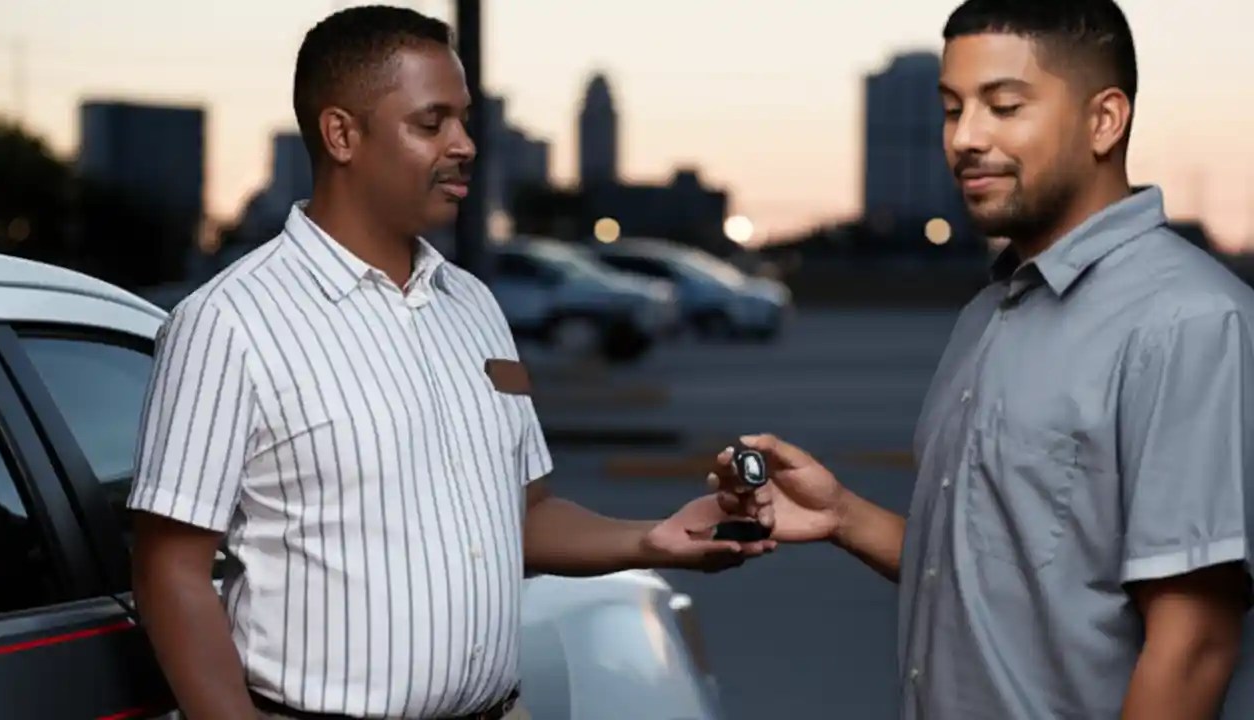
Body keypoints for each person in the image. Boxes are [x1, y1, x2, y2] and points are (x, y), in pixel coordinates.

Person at [126, 7, 772, 720]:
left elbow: (525, 515)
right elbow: (170, 569)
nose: (465, 145)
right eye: (431, 123)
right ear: (342, 133)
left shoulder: (474, 307)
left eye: (465, 121)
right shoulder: (227, 323)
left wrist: (652, 538)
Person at [713, 0, 1254, 717]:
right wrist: (844, 516)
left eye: (1003, 106)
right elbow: (1008, 579)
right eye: (950, 109)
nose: (965, 138)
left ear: (1105, 120)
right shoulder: (990, 312)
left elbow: (1194, 649)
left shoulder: (1188, 321)